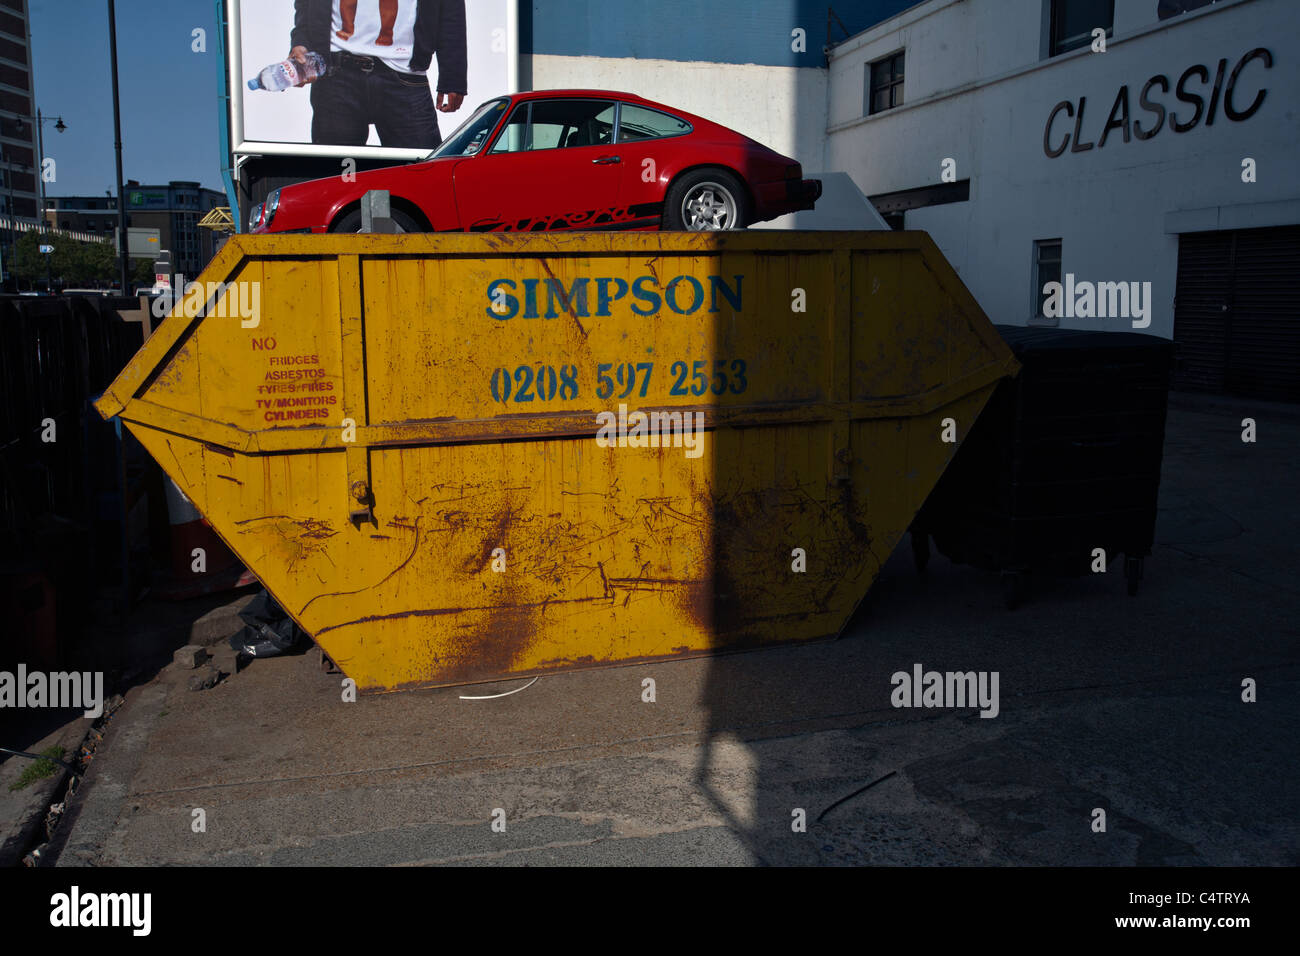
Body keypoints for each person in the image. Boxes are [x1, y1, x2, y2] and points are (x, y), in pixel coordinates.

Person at [289, 0, 467, 149]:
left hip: (404, 72)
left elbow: (450, 9)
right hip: (338, 71)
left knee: (420, 175)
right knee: (336, 177)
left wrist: (453, 76)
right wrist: (302, 41)